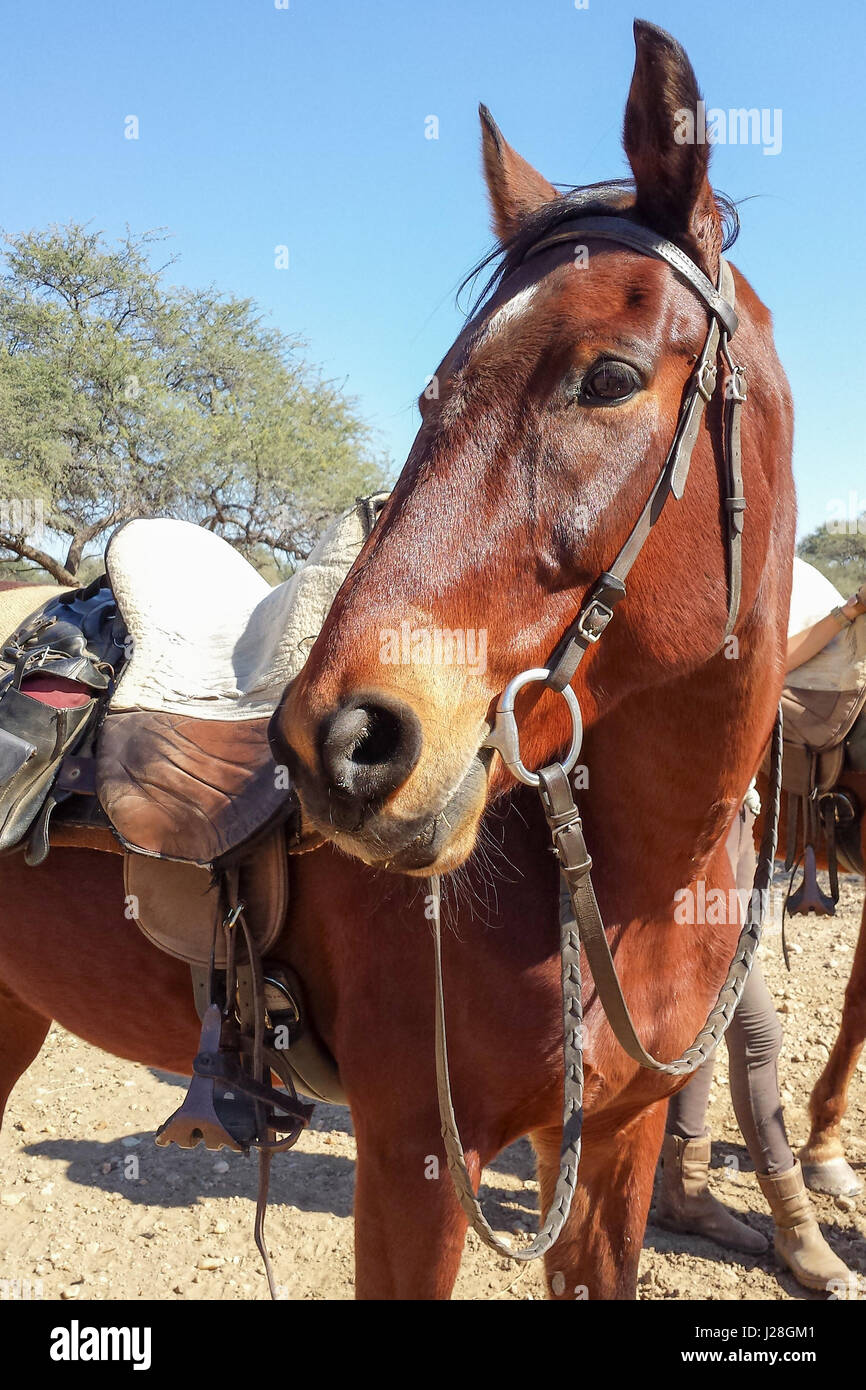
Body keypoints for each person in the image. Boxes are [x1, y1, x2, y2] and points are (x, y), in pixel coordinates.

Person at [656, 567, 866, 1293]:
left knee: (711, 1020)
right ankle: (796, 1224)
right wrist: (848, 614)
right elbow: (770, 665)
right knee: (759, 1030)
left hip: (730, 829)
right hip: (706, 837)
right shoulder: (705, 619)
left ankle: (682, 1183)